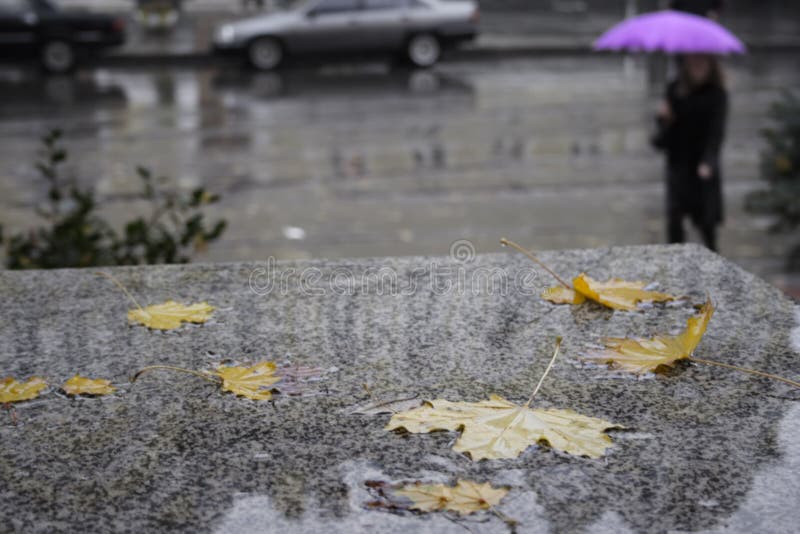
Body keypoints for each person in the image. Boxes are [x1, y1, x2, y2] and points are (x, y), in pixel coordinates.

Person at [652, 55, 728, 251]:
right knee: (675, 222)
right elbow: (660, 141)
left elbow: (716, 133)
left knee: (707, 226)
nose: (697, 68)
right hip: (678, 166)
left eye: (702, 64)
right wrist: (664, 119)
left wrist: (708, 162)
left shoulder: (717, 95)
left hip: (702, 169)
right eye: (693, 64)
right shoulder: (675, 90)